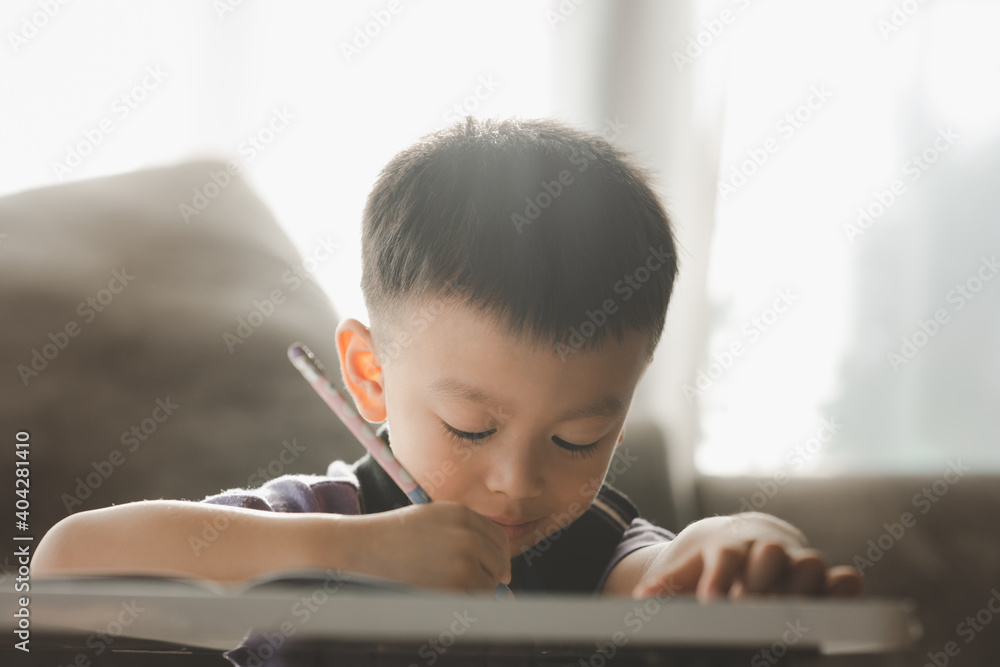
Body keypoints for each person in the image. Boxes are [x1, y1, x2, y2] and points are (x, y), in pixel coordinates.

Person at [33, 116, 862, 600]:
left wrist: (742, 537)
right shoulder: (326, 516)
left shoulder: (594, 546)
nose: (517, 481)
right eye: (470, 424)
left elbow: (668, 573)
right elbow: (67, 560)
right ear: (368, 374)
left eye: (577, 439)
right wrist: (348, 554)